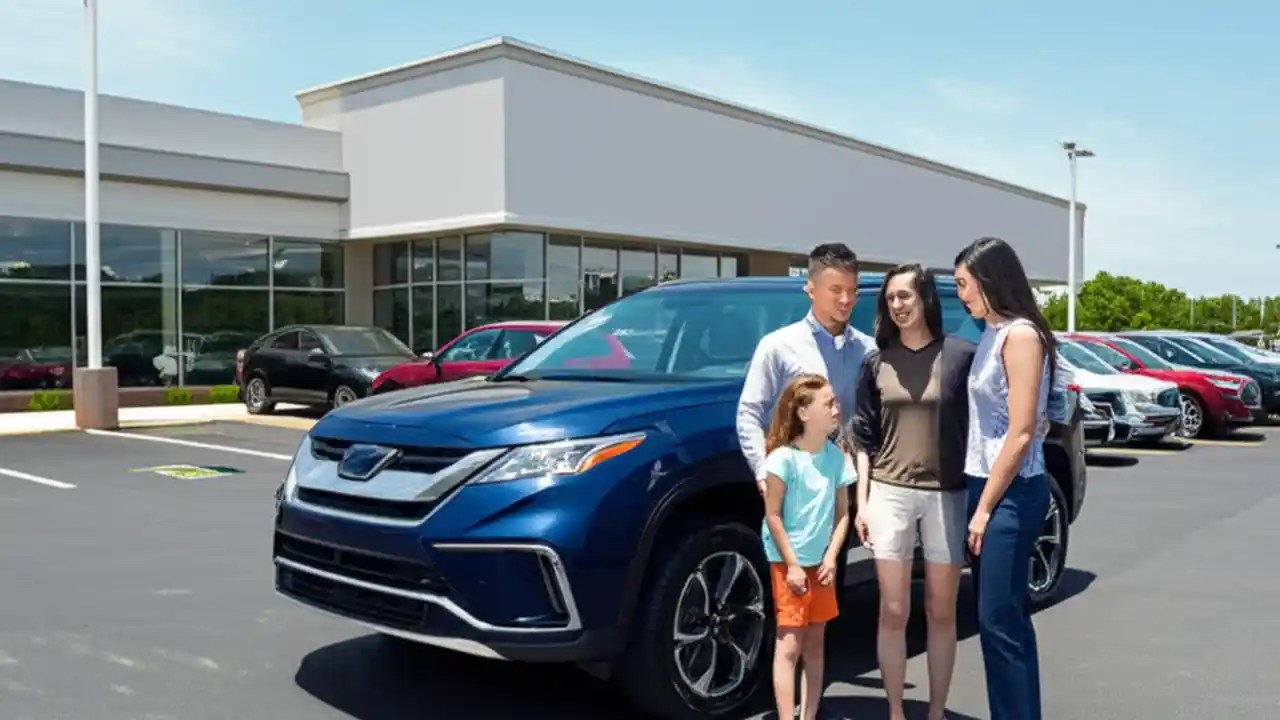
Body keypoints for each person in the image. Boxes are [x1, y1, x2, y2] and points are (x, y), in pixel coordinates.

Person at [849, 264, 975, 720]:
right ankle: (897, 711)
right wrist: (862, 503)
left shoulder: (962, 356)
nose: (897, 305)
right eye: (891, 299)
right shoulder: (875, 362)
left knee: (942, 611)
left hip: (947, 495)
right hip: (889, 494)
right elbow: (863, 438)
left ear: (925, 299)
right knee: (894, 609)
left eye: (905, 296)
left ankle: (937, 712)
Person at [953, 236, 1056, 720]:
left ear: (990, 279)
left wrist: (985, 509)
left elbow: (1018, 434)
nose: (961, 294)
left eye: (964, 284)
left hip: (1010, 492)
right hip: (988, 483)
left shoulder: (1020, 336)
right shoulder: (993, 334)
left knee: (1000, 620)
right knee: (999, 621)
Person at [738, 242, 874, 495]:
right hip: (797, 488)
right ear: (811, 289)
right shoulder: (778, 346)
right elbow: (749, 413)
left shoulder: (869, 350)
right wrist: (763, 471)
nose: (846, 300)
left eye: (852, 290)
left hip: (853, 487)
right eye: (835, 290)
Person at [761, 374, 854, 720]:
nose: (836, 408)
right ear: (802, 413)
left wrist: (831, 556)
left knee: (815, 642)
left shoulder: (835, 457)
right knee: (790, 644)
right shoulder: (783, 460)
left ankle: (809, 713)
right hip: (789, 564)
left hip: (821, 564)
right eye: (827, 403)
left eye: (835, 401)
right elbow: (773, 516)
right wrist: (794, 566)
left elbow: (843, 514)